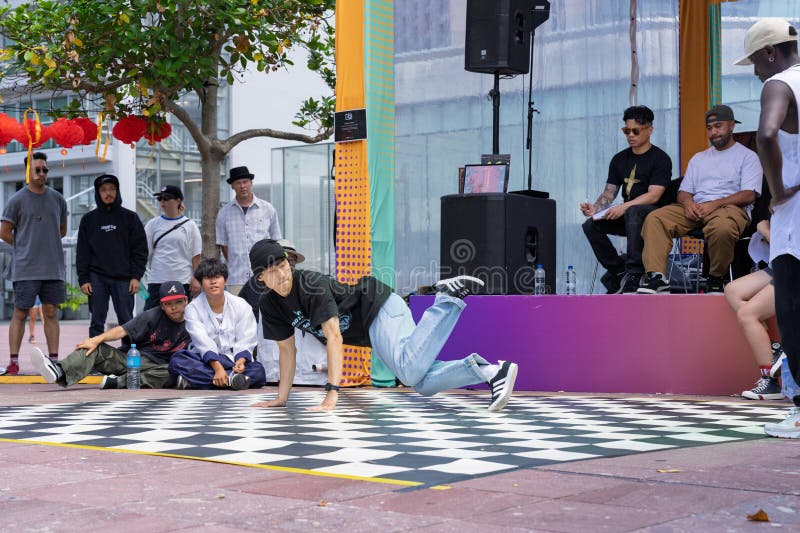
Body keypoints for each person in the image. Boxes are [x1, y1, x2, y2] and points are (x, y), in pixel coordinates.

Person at [247, 239, 518, 412]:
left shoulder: (310, 285)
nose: (282, 274)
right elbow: (287, 351)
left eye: (283, 265)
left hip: (378, 307)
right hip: (375, 327)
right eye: (272, 270)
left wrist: (332, 393)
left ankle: (446, 300)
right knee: (421, 382)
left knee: (409, 373)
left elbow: (334, 338)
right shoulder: (270, 305)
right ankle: (490, 371)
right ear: (261, 278)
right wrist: (281, 398)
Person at [738, 17, 800, 437]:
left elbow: (765, 134)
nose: (757, 72)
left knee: (792, 312)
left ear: (770, 53)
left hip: (795, 221)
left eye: (756, 63)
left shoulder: (779, 84)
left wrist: (776, 192)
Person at [639, 105, 763, 294]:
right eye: (709, 128)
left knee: (722, 228)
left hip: (728, 208)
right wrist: (688, 204)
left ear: (731, 126)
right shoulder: (699, 158)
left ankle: (716, 278)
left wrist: (713, 205)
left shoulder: (748, 157)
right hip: (696, 208)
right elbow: (683, 192)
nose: (714, 132)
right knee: (656, 219)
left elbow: (748, 194)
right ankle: (656, 277)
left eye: (718, 126)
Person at [29, 281, 190, 389]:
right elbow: (122, 330)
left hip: (164, 368)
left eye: (178, 302)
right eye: (169, 304)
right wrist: (95, 340)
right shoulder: (152, 315)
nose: (174, 307)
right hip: (134, 360)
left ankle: (118, 382)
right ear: (162, 306)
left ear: (186, 301)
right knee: (94, 348)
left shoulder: (194, 322)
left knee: (175, 374)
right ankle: (59, 370)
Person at [581, 106, 672, 293]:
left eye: (635, 130)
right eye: (626, 130)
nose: (630, 135)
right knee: (590, 225)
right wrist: (596, 208)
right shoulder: (619, 159)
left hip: (652, 216)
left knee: (633, 211)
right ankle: (619, 271)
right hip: (629, 216)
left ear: (649, 130)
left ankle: (636, 272)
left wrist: (624, 207)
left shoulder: (660, 159)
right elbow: (609, 193)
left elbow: (655, 195)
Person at [0, 152, 67, 376]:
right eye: (37, 169)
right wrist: (24, 246)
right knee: (20, 312)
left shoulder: (57, 198)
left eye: (45, 170)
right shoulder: (16, 200)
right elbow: (4, 232)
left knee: (50, 312)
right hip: (25, 267)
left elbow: (62, 229)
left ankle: (55, 360)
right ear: (28, 171)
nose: (41, 174)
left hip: (52, 266)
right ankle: (13, 362)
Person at [168, 257, 266, 390]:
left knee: (259, 371)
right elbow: (202, 341)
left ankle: (197, 381)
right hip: (205, 360)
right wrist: (218, 368)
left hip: (233, 360)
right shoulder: (193, 308)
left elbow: (247, 338)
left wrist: (241, 361)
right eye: (208, 278)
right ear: (201, 283)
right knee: (177, 360)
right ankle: (233, 380)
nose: (213, 282)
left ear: (225, 280)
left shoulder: (241, 305)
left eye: (218, 277)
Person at [76, 174, 148, 338]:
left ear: (117, 191)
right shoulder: (88, 220)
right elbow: (82, 253)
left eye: (112, 189)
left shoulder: (130, 218)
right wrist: (83, 279)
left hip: (124, 278)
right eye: (104, 190)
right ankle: (96, 359)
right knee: (96, 322)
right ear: (97, 193)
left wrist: (136, 276)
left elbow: (140, 250)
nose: (108, 193)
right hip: (96, 278)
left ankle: (129, 359)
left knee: (127, 322)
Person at [724, 220, 784, 400]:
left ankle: (769, 380)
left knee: (747, 314)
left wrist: (764, 230)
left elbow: (787, 246)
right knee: (732, 290)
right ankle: (774, 349)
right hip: (779, 266)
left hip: (793, 270)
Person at [216, 166, 281, 295]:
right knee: (238, 313)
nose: (242, 186)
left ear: (251, 183)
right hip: (236, 277)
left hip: (266, 274)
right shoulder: (224, 213)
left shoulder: (268, 209)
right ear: (232, 186)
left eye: (245, 182)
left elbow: (276, 240)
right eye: (238, 183)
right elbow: (223, 245)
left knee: (266, 313)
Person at [143, 185, 202, 310]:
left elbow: (196, 256)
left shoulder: (190, 226)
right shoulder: (152, 224)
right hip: (157, 280)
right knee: (151, 318)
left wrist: (196, 279)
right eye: (160, 198)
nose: (162, 201)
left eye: (167, 198)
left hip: (183, 281)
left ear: (178, 201)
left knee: (183, 318)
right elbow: (144, 253)